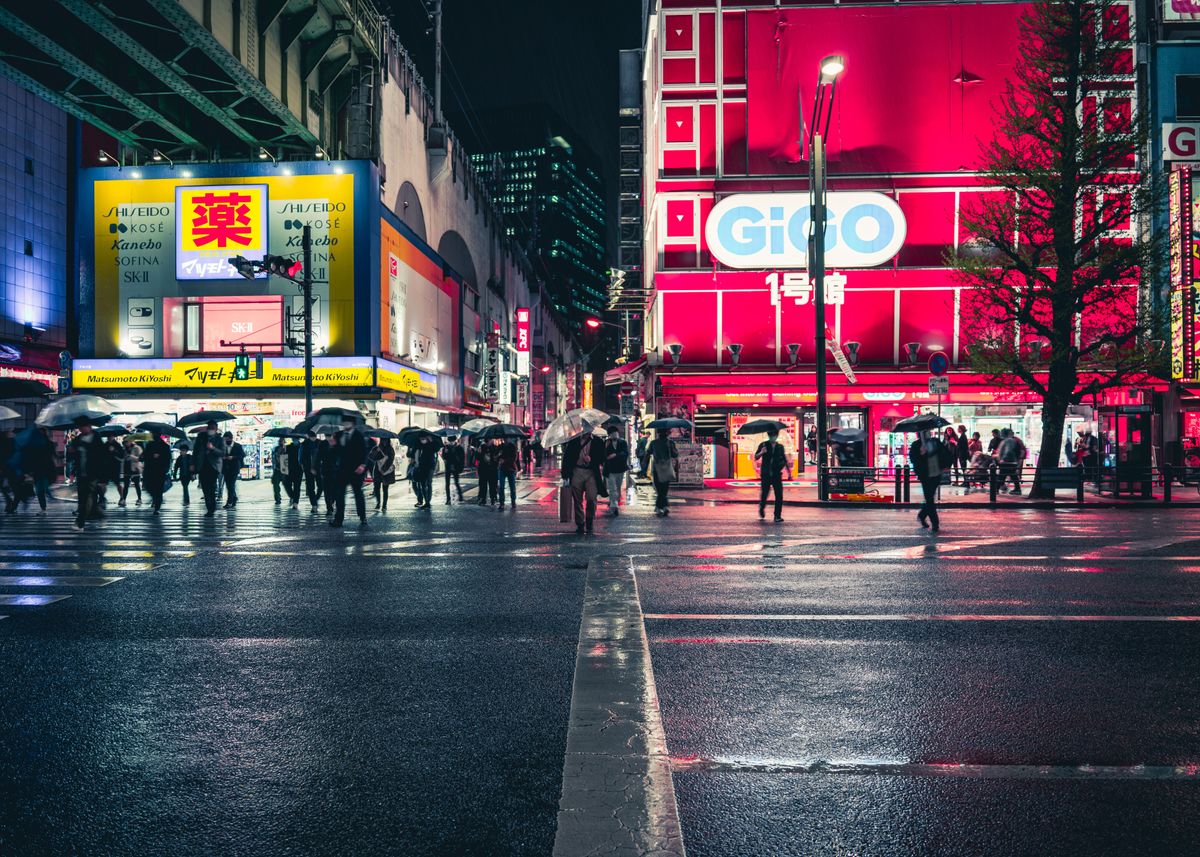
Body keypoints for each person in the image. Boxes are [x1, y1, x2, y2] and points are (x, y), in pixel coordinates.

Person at [909, 429, 952, 533]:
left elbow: (946, 453)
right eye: (924, 432)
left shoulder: (935, 442)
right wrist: (921, 453)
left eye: (927, 431)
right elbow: (913, 459)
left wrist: (946, 465)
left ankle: (922, 514)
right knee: (929, 499)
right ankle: (935, 523)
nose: (926, 433)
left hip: (936, 473)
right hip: (925, 475)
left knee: (930, 497)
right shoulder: (916, 445)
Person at [562, 429, 603, 534]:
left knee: (591, 498)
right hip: (577, 471)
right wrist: (565, 475)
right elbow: (566, 458)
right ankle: (580, 523)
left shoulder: (598, 441)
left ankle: (589, 520)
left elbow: (603, 458)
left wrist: (592, 459)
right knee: (577, 499)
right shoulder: (574, 441)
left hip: (591, 473)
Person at [330, 417, 368, 527]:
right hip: (342, 470)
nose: (345, 424)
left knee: (358, 494)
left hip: (356, 470)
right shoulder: (338, 435)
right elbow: (336, 453)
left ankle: (362, 516)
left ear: (352, 423)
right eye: (344, 422)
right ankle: (338, 519)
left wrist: (363, 464)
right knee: (340, 495)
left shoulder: (359, 435)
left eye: (347, 422)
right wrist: (333, 445)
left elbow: (364, 451)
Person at [68, 418, 105, 529]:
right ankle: (98, 515)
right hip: (81, 474)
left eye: (81, 427)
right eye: (79, 427)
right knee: (85, 499)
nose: (80, 429)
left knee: (86, 499)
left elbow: (101, 458)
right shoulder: (79, 439)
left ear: (88, 426)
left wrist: (103, 479)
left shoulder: (96, 438)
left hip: (93, 474)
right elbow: (74, 456)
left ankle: (80, 523)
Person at [755, 428, 791, 522]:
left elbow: (784, 458)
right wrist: (761, 452)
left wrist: (789, 472)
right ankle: (762, 508)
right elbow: (756, 457)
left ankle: (777, 515)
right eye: (771, 435)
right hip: (766, 474)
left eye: (774, 435)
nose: (773, 437)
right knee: (764, 494)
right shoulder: (763, 445)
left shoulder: (780, 447)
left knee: (779, 495)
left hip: (776, 474)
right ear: (768, 435)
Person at [19, 426, 56, 514]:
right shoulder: (35, 444)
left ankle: (44, 505)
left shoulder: (46, 443)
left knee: (41, 489)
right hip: (39, 469)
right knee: (40, 489)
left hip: (44, 469)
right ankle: (44, 506)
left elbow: (52, 455)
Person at [193, 420, 225, 517]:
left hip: (213, 467)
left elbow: (222, 453)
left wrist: (212, 448)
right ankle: (209, 507)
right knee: (205, 488)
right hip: (202, 466)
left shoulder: (219, 439)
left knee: (211, 488)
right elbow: (195, 451)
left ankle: (212, 508)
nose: (211, 429)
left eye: (213, 428)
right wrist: (192, 464)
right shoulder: (201, 437)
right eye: (209, 427)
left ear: (216, 428)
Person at [645, 429, 678, 517]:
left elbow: (648, 453)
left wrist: (644, 465)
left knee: (661, 489)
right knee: (663, 489)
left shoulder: (656, 443)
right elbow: (676, 454)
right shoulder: (663, 443)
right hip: (663, 467)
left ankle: (660, 507)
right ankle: (663, 506)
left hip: (658, 467)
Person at [602, 426, 630, 516]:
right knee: (612, 488)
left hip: (620, 469)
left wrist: (615, 455)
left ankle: (614, 503)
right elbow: (603, 456)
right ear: (609, 435)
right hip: (609, 469)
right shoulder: (606, 443)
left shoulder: (623, 442)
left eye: (615, 433)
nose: (614, 435)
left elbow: (625, 453)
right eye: (612, 433)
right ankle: (614, 506)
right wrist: (605, 448)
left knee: (617, 488)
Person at [142, 434, 171, 514]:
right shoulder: (149, 445)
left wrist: (159, 457)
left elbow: (168, 458)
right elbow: (145, 456)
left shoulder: (164, 446)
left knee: (158, 489)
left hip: (159, 471)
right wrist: (152, 455)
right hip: (151, 470)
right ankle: (156, 501)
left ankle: (157, 507)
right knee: (150, 487)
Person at [368, 437, 397, 511]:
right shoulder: (377, 448)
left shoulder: (390, 449)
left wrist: (384, 469)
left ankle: (384, 505)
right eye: (383, 440)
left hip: (386, 471)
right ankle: (378, 503)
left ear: (388, 440)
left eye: (386, 440)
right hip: (377, 471)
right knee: (377, 488)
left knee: (385, 489)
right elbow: (371, 457)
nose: (384, 441)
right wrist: (376, 451)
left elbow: (391, 460)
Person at [409, 434, 438, 509]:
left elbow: (435, 449)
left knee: (428, 483)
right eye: (421, 438)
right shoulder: (418, 445)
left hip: (430, 466)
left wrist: (431, 441)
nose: (422, 440)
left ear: (427, 438)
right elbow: (411, 454)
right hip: (421, 466)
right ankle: (425, 501)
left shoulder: (431, 444)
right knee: (422, 484)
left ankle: (428, 502)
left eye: (424, 438)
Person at [997, 428, 1027, 495]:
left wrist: (1002, 459)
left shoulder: (1008, 441)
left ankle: (996, 489)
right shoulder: (1012, 440)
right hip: (1011, 461)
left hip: (1007, 462)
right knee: (1011, 475)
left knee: (1002, 475)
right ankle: (1017, 489)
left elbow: (1008, 451)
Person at [221, 431, 245, 508]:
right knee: (228, 485)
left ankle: (229, 501)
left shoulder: (238, 446)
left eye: (227, 439)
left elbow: (242, 455)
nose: (226, 441)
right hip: (225, 468)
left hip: (234, 468)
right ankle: (234, 498)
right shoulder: (223, 446)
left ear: (231, 438)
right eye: (225, 440)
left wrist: (233, 457)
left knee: (231, 484)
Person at [299, 430, 322, 510]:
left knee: (315, 486)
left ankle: (314, 502)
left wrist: (302, 465)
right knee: (314, 486)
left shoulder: (318, 443)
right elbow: (300, 457)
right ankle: (314, 503)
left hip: (313, 468)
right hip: (313, 468)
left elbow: (300, 457)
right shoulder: (306, 444)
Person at [319, 432, 340, 518]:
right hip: (325, 470)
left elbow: (339, 456)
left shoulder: (336, 443)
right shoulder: (322, 444)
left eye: (329, 435)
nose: (328, 437)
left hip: (335, 470)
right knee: (327, 490)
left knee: (335, 490)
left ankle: (332, 502)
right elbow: (319, 456)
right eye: (326, 435)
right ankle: (329, 508)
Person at [118, 438, 143, 506]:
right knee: (126, 485)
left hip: (135, 468)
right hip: (126, 468)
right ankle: (123, 499)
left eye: (127, 442)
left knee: (137, 485)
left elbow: (140, 458)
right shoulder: (124, 449)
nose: (126, 443)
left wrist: (131, 456)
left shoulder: (137, 448)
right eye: (125, 442)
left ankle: (139, 499)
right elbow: (121, 457)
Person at [497, 437, 519, 509]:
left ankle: (513, 501)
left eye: (507, 438)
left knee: (512, 486)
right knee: (501, 487)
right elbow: (498, 456)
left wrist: (505, 460)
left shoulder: (512, 446)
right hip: (502, 469)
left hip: (510, 469)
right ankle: (501, 503)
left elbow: (514, 458)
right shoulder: (501, 446)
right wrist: (499, 457)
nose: (506, 439)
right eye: (504, 438)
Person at [442, 439, 465, 503]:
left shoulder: (459, 448)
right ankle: (448, 499)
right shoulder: (446, 447)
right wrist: (445, 453)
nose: (451, 442)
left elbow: (462, 458)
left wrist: (461, 468)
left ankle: (460, 496)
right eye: (450, 441)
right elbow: (444, 457)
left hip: (455, 467)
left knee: (456, 482)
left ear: (455, 440)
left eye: (452, 440)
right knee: (447, 484)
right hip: (448, 467)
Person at [271, 438, 293, 505]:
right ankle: (277, 499)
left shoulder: (287, 449)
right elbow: (274, 459)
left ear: (284, 442)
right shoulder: (275, 449)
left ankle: (291, 497)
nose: (280, 442)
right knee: (275, 485)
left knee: (287, 485)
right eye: (279, 441)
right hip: (277, 469)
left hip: (284, 469)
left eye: (281, 441)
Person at [475, 439, 497, 506]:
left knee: (490, 485)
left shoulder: (493, 447)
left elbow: (496, 458)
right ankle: (485, 498)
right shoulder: (482, 447)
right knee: (484, 485)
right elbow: (477, 458)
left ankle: (491, 498)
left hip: (490, 469)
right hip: (484, 469)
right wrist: (478, 452)